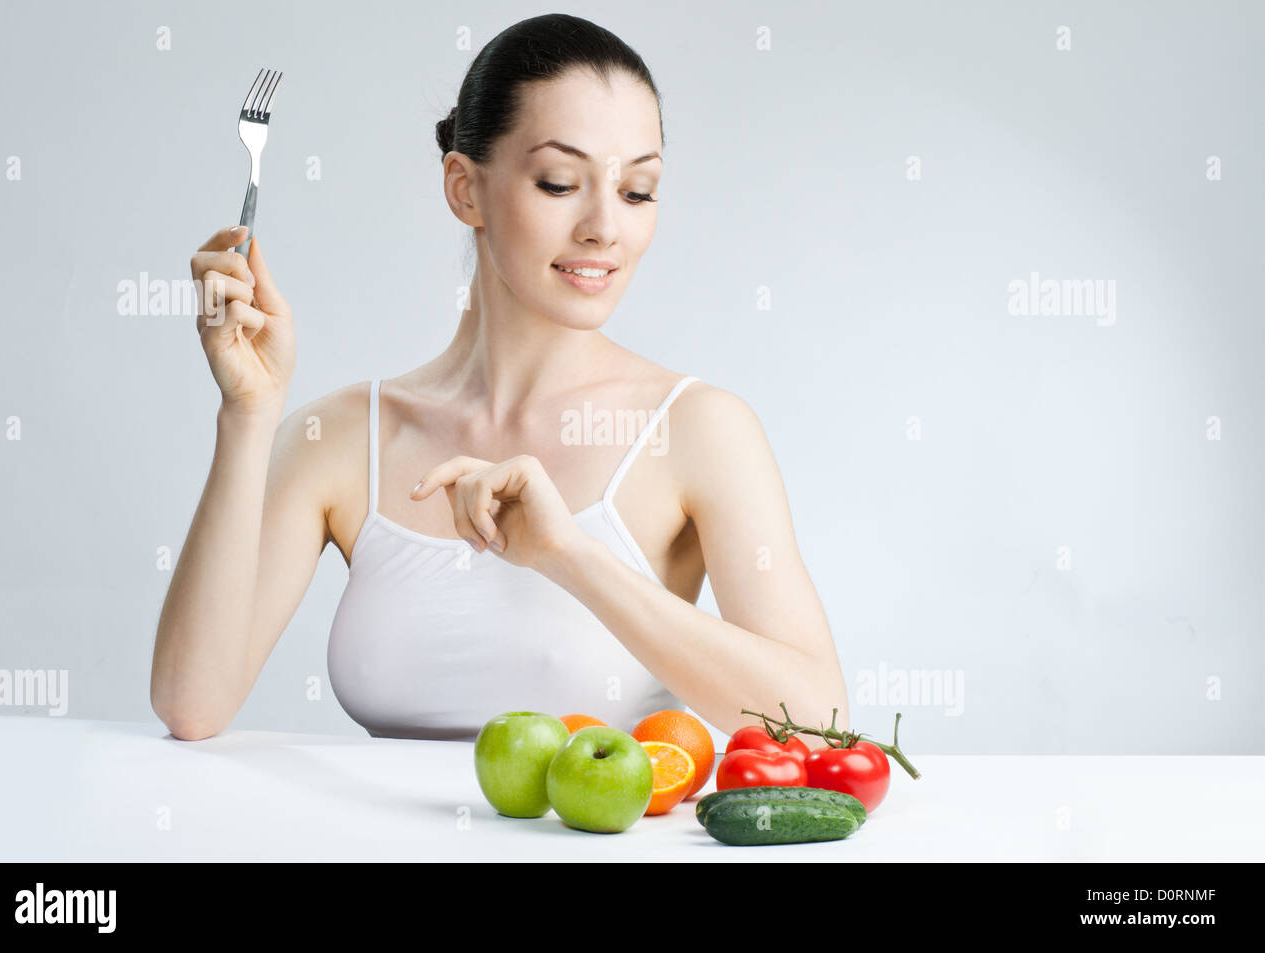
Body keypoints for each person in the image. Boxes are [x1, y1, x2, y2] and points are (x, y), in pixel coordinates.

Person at [152, 13, 848, 744]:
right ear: (465, 190)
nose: (605, 228)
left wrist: (569, 556)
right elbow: (191, 703)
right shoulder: (343, 436)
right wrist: (248, 414)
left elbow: (821, 719)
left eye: (638, 192)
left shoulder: (698, 428)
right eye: (558, 182)